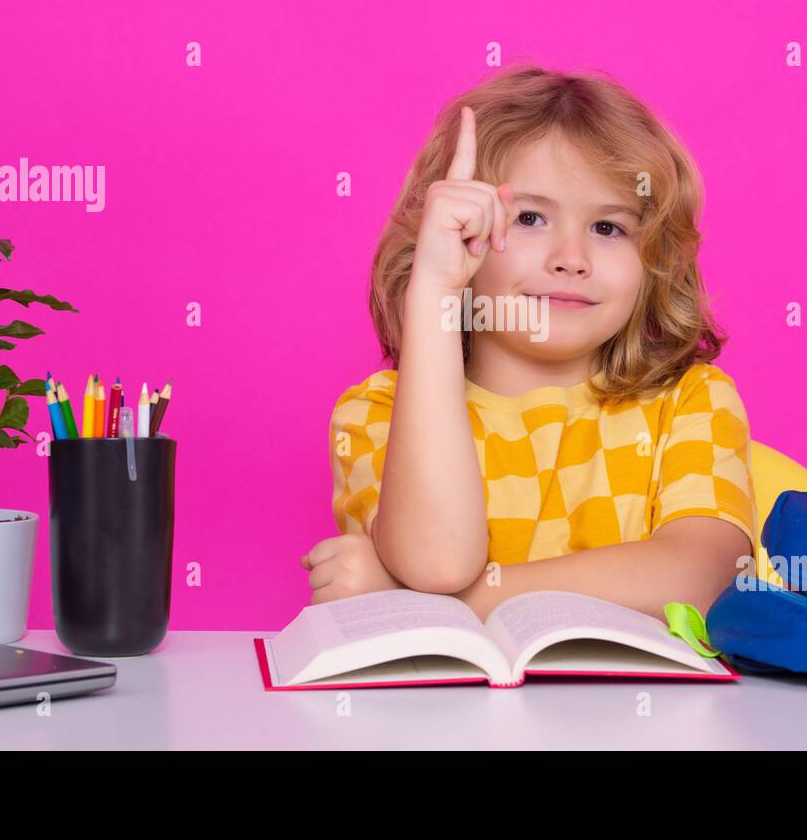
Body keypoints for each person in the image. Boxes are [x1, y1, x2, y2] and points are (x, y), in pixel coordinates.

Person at [303, 64, 758, 622]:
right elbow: (438, 562)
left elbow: (701, 579)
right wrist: (437, 290)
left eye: (608, 228)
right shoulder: (377, 413)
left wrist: (423, 601)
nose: (571, 258)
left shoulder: (692, 401)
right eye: (530, 218)